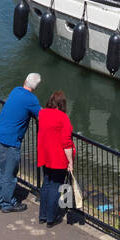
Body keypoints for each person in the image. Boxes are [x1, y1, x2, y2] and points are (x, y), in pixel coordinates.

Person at [0, 72, 41, 213]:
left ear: (25, 81)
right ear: (36, 87)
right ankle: (7, 204)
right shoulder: (31, 99)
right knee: (9, 174)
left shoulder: (15, 90)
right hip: (9, 142)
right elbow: (42, 116)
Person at [37, 91, 76, 227]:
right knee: (55, 186)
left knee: (46, 183)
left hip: (45, 155)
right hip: (58, 158)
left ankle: (42, 216)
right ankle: (51, 218)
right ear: (62, 104)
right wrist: (70, 161)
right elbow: (66, 143)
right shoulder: (63, 118)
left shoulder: (42, 114)